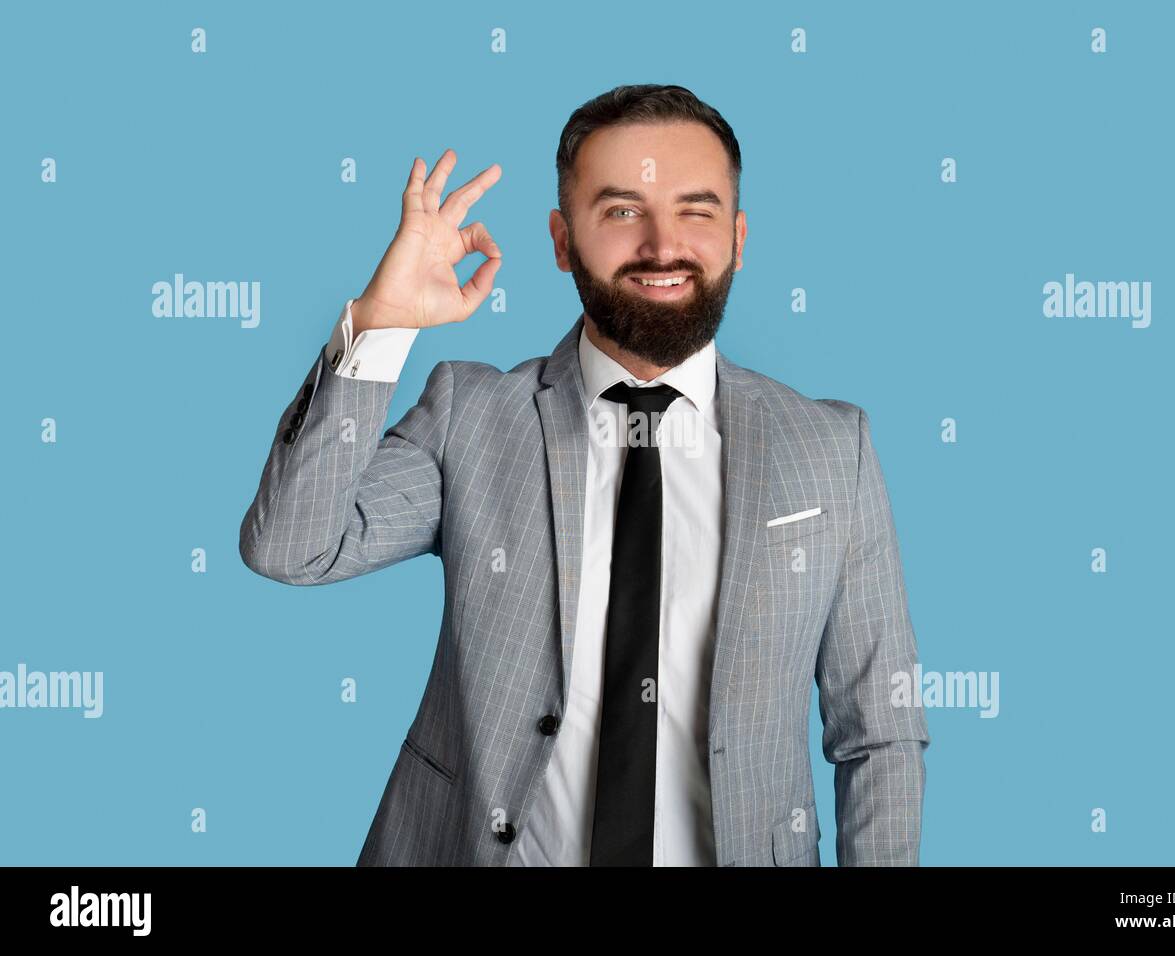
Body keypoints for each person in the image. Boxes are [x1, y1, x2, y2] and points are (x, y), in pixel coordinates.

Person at [239, 84, 930, 867]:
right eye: (621, 210)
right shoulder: (473, 416)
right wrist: (383, 319)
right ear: (562, 241)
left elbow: (881, 730)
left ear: (738, 236)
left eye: (696, 210)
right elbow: (291, 547)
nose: (662, 244)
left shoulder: (831, 448)